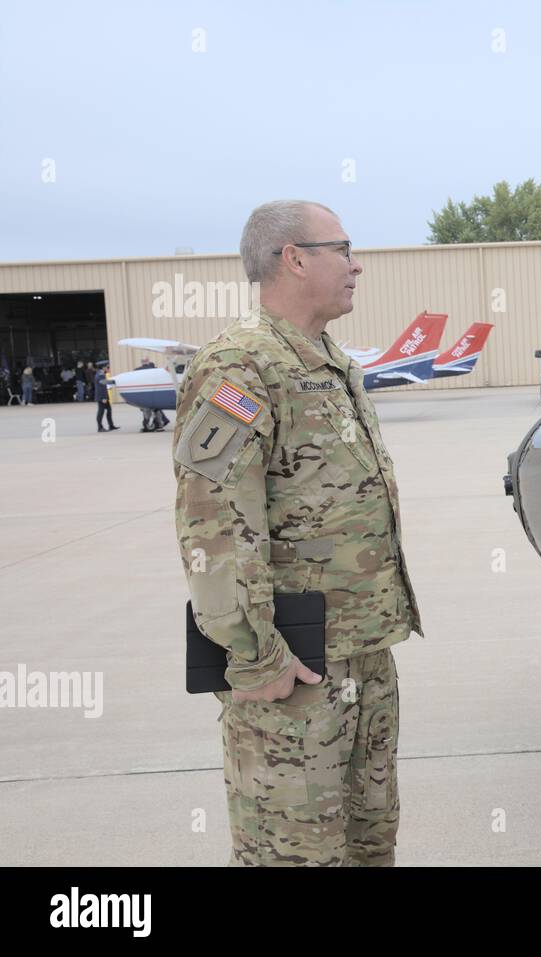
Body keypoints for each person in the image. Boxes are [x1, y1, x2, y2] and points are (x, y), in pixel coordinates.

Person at [173, 199, 422, 866]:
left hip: (362, 653)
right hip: (292, 668)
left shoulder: (329, 360)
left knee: (368, 844)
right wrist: (254, 656)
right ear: (294, 257)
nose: (356, 264)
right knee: (292, 853)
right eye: (342, 248)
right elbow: (214, 522)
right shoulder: (239, 367)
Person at [94, 366, 118, 431]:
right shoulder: (101, 375)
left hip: (104, 396)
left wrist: (116, 381)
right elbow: (102, 387)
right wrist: (104, 398)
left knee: (109, 410)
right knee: (101, 412)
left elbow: (106, 383)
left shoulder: (100, 374)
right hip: (102, 397)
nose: (109, 369)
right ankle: (100, 427)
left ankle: (111, 425)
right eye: (108, 368)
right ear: (104, 368)